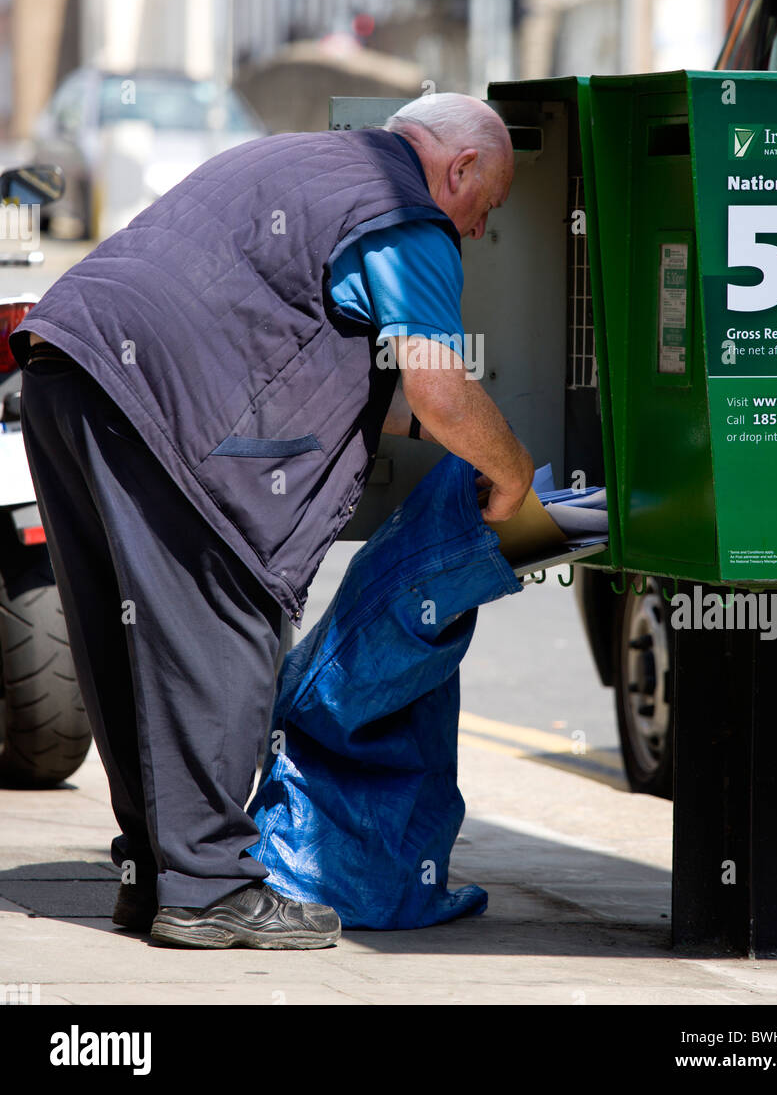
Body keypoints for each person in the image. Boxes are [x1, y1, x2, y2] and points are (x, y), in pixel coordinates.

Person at [12, 92, 534, 950]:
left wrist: (455, 437)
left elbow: (359, 384)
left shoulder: (297, 159)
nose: (480, 228)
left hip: (67, 369)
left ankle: (158, 874)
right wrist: (511, 478)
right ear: (462, 166)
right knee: (223, 629)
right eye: (490, 206)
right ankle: (212, 887)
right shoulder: (406, 212)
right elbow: (441, 392)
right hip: (167, 407)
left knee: (126, 641)